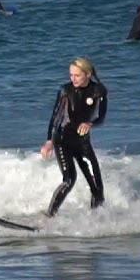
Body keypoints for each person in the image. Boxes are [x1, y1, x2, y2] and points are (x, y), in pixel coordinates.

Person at [40, 57, 107, 215]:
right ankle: (49, 217)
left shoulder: (99, 90)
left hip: (83, 143)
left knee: (97, 188)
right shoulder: (66, 91)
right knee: (69, 180)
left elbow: (101, 117)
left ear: (87, 74)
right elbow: (55, 117)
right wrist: (49, 142)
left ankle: (96, 220)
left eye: (77, 75)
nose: (73, 79)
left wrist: (90, 124)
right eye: (71, 75)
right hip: (63, 141)